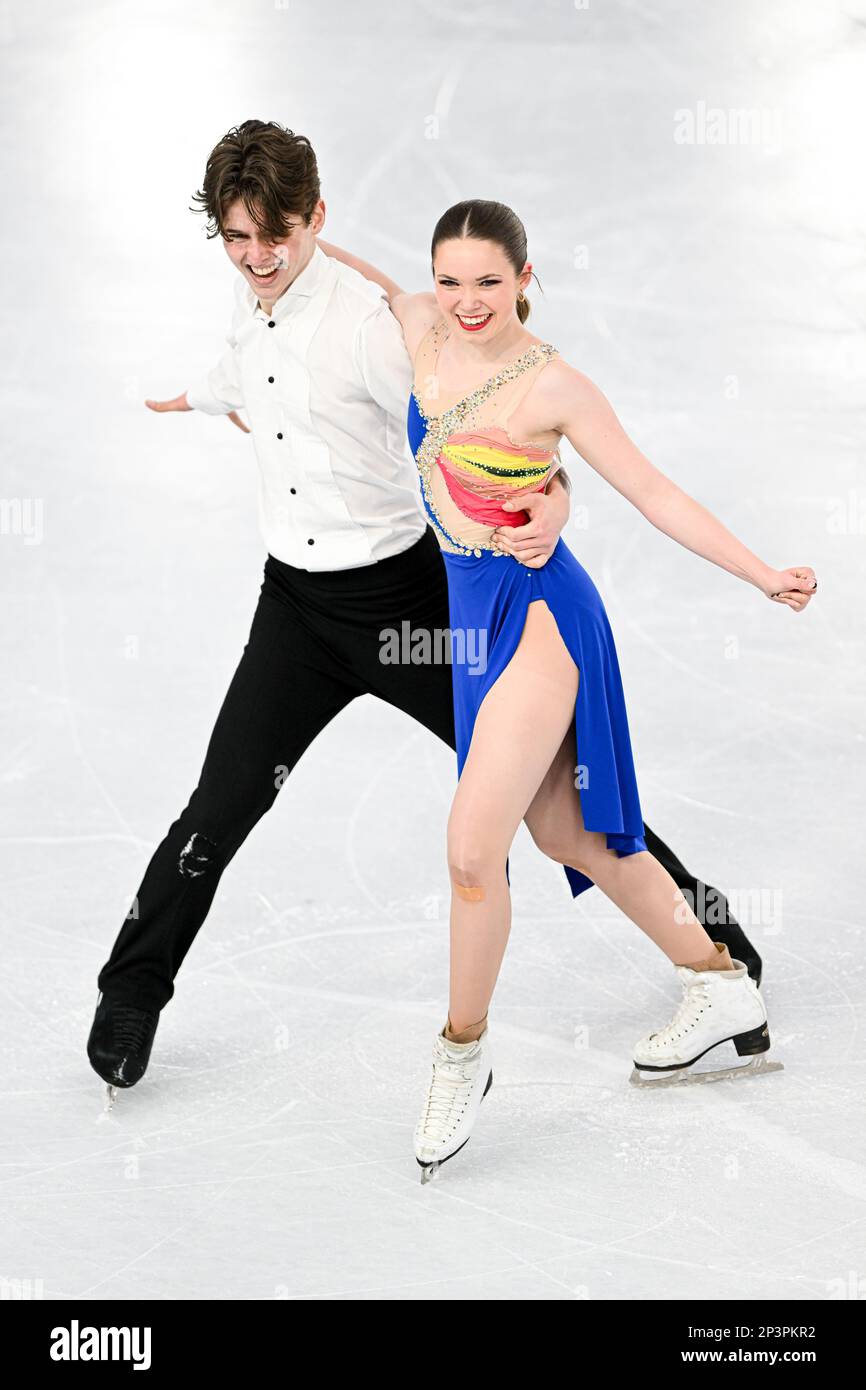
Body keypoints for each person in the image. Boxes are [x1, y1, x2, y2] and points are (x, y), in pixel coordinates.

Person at [87, 121, 765, 1121]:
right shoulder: (250, 302)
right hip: (295, 611)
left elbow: (494, 420)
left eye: (275, 233)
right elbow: (249, 381)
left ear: (314, 219)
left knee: (556, 790)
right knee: (216, 807)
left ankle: (709, 937)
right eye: (235, 239)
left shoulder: (379, 329)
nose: (256, 255)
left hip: (410, 599)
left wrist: (555, 498)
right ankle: (130, 991)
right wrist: (193, 398)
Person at [316, 199, 817, 1181]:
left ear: (524, 278)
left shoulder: (552, 385)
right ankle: (720, 985)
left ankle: (461, 1049)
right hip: (471, 623)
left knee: (472, 847)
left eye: (488, 283)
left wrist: (759, 573)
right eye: (449, 280)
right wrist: (276, 234)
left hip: (542, 617)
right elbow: (339, 265)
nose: (465, 302)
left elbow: (654, 490)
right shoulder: (414, 320)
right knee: (569, 835)